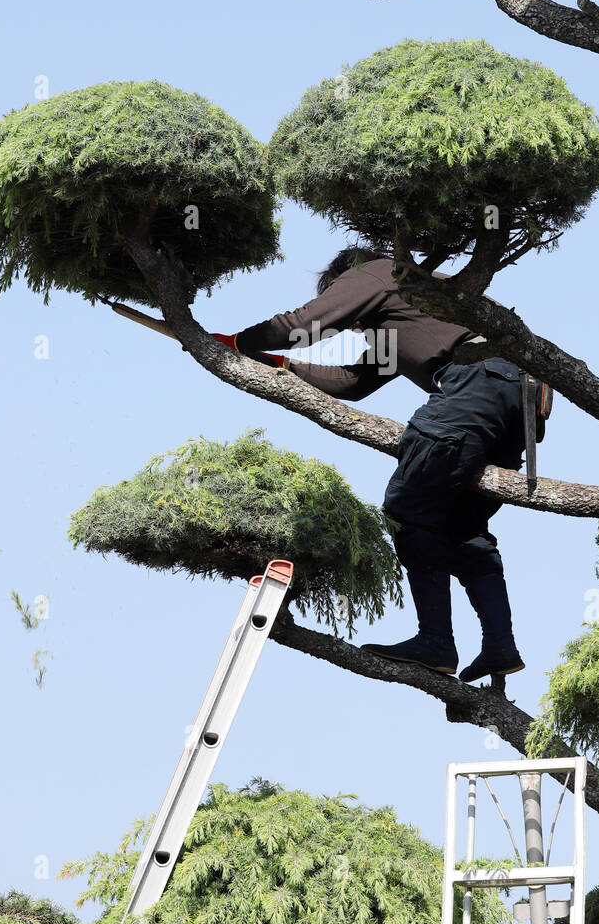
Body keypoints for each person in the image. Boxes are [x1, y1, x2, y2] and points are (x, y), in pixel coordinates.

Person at [212, 247, 532, 683]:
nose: (358, 328)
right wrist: (282, 364)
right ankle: (500, 645)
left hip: (472, 386)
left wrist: (238, 342)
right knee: (462, 529)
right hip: (519, 401)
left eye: (354, 318)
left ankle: (436, 642)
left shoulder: (374, 272)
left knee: (408, 508)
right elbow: (355, 382)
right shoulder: (414, 308)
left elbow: (302, 325)